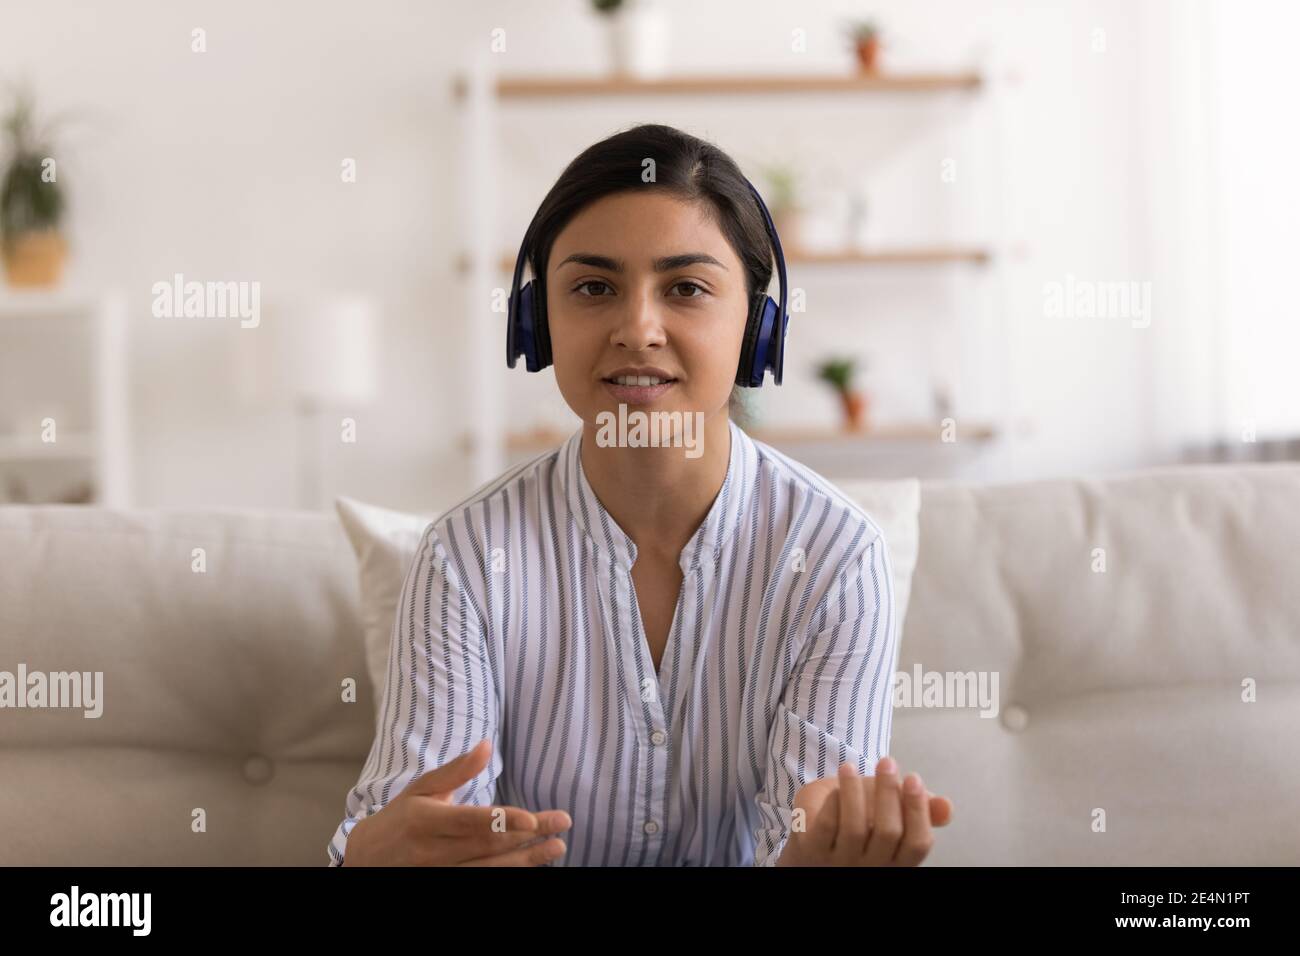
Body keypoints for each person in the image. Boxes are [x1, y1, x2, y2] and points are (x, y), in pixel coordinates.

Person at [328, 123, 952, 866]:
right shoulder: (465, 558)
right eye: (593, 288)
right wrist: (373, 856)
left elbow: (805, 833)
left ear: (757, 326)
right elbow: (418, 827)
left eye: (686, 288)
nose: (638, 328)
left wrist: (823, 855)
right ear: (539, 325)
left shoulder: (836, 558)